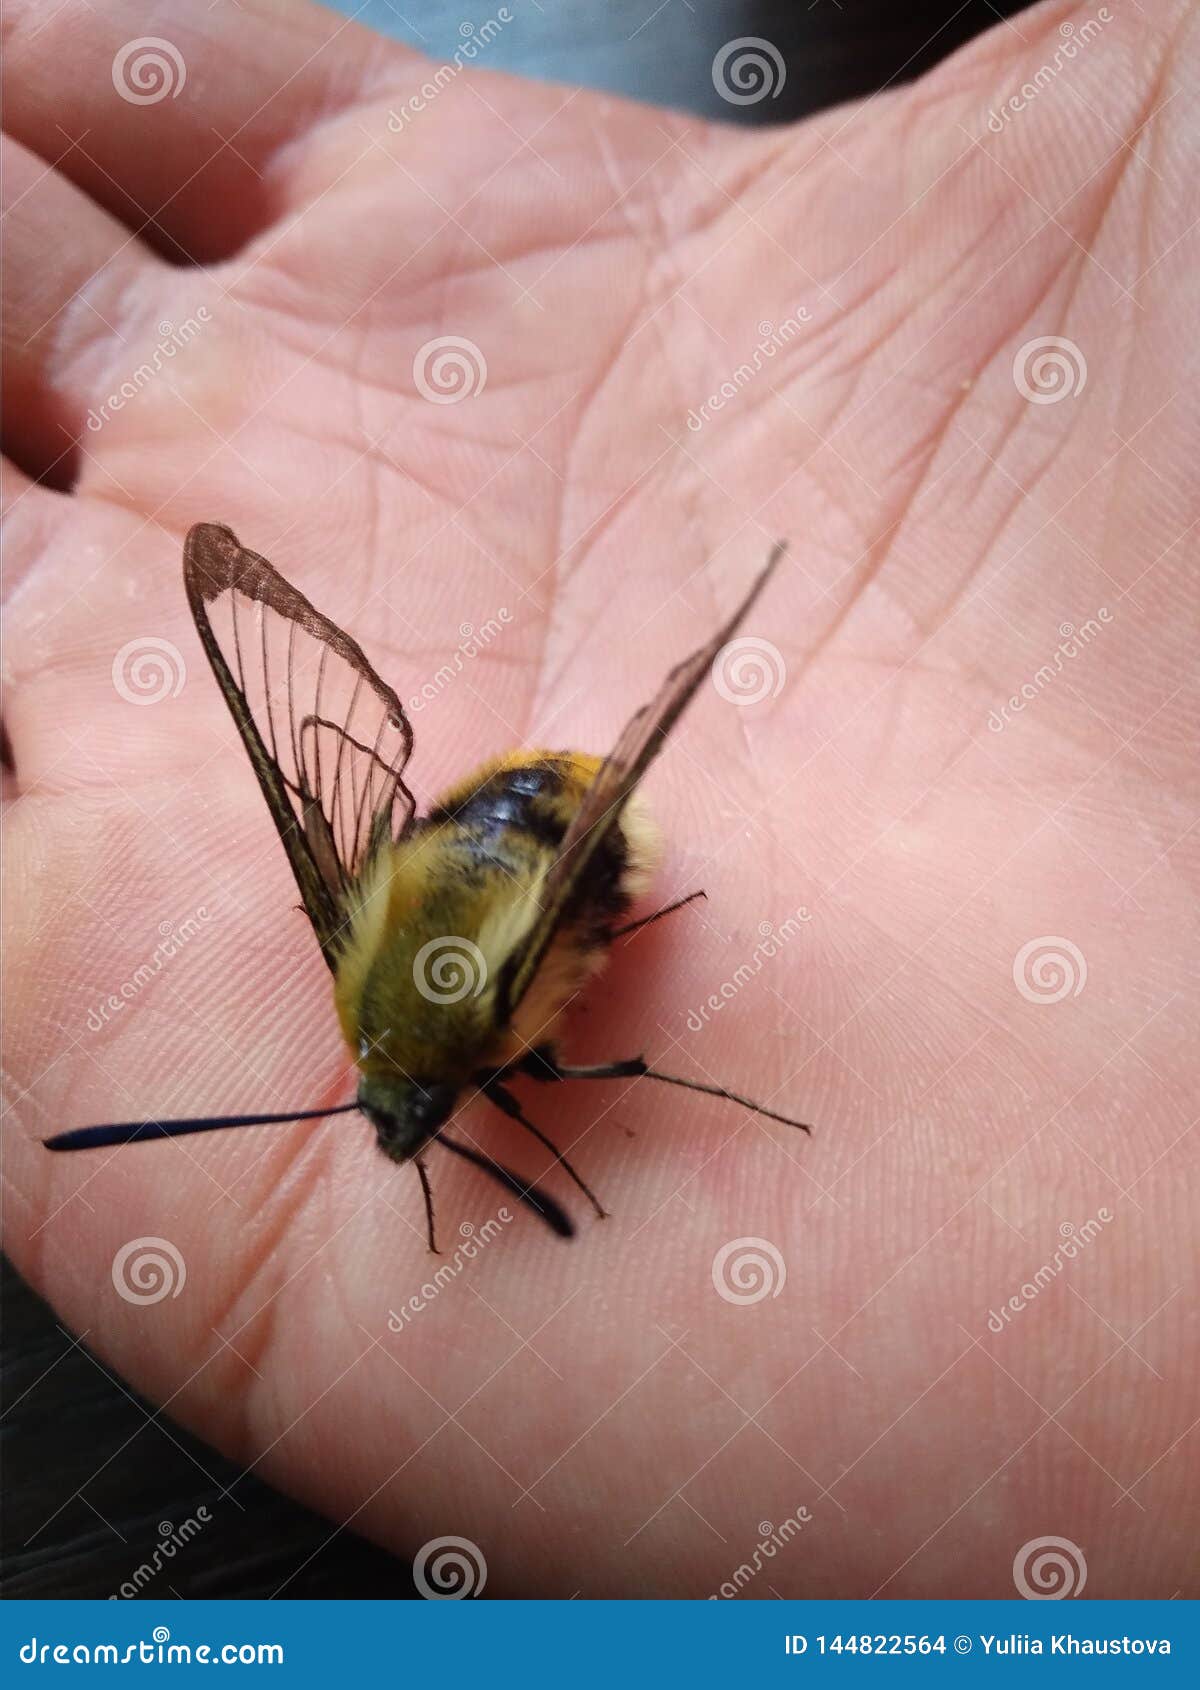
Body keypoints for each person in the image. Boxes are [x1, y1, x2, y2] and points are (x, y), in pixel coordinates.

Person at [2, 0, 1195, 1599]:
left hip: (563, 827)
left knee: (552, 1016)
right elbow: (357, 834)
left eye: (409, 1111)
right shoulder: (374, 1001)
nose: (401, 1124)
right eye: (407, 1113)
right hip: (483, 817)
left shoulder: (483, 1032)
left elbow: (540, 1004)